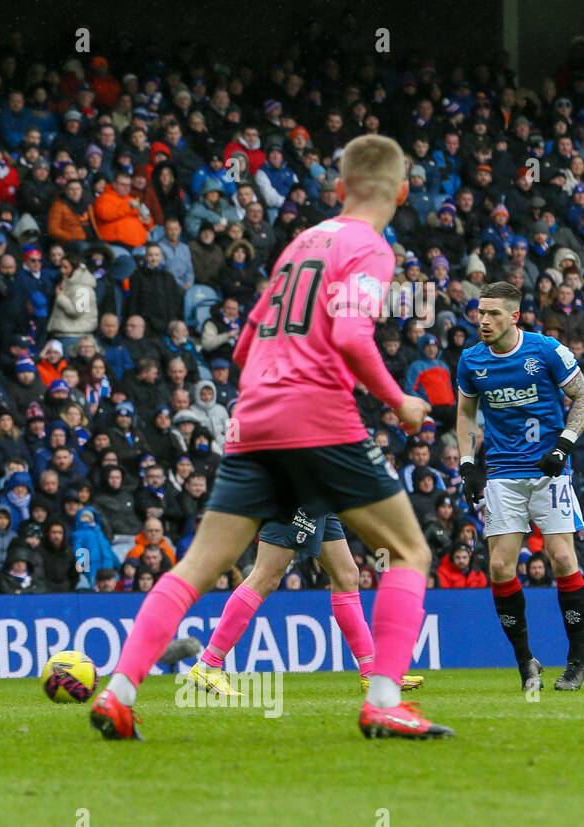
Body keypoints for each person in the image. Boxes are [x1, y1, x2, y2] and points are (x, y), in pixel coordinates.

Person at [89, 134, 451, 741]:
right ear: (404, 191)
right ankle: (384, 698)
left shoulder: (301, 244)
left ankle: (120, 692)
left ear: (337, 190)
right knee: (410, 552)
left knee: (201, 565)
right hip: (316, 415)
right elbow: (353, 339)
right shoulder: (371, 247)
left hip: (254, 413)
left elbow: (242, 343)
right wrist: (402, 402)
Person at [456, 280, 584, 692]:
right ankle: (526, 661)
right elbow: (464, 414)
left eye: (493, 313)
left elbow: (581, 395)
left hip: (549, 472)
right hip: (503, 476)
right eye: (480, 312)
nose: (484, 320)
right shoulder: (472, 361)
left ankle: (577, 661)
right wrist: (467, 465)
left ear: (514, 316)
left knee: (563, 558)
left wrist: (564, 445)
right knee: (498, 567)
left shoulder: (546, 350)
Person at [190, 509, 424, 695]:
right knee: (265, 577)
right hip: (299, 490)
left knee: (347, 576)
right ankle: (208, 665)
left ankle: (372, 672)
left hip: (318, 495)